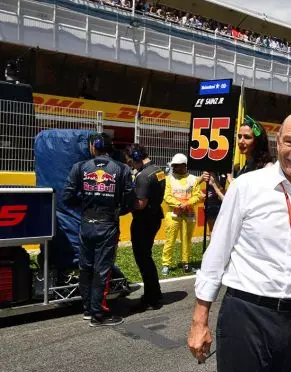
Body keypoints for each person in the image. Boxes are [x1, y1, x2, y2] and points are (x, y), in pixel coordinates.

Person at [188, 111, 291, 372]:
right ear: (278, 142)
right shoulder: (247, 187)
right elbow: (216, 256)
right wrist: (199, 321)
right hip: (245, 315)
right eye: (289, 141)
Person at [62, 132, 134, 326]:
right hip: (108, 224)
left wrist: (86, 203)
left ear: (93, 147)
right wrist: (117, 210)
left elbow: (67, 197)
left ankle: (87, 308)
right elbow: (130, 200)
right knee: (103, 269)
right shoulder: (122, 168)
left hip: (86, 223)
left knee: (86, 266)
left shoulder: (79, 167)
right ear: (110, 147)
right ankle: (98, 313)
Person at [126, 144, 166, 311]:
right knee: (147, 257)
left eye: (130, 162)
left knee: (143, 259)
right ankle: (155, 292)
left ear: (136, 157)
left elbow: (140, 204)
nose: (130, 165)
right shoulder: (159, 170)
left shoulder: (143, 176)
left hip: (144, 220)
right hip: (155, 217)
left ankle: (151, 298)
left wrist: (125, 203)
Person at [161, 153, 202, 275]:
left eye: (177, 166)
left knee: (187, 239)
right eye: (173, 165)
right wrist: (179, 205)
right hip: (173, 214)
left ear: (184, 165)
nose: (174, 168)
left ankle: (186, 263)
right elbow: (167, 196)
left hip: (188, 214)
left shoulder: (193, 179)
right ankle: (166, 264)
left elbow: (197, 195)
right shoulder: (169, 179)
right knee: (170, 239)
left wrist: (187, 203)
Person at [227, 115, 274, 183]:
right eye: (239, 137)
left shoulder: (268, 169)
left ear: (258, 141)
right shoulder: (245, 167)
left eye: (247, 137)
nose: (240, 141)